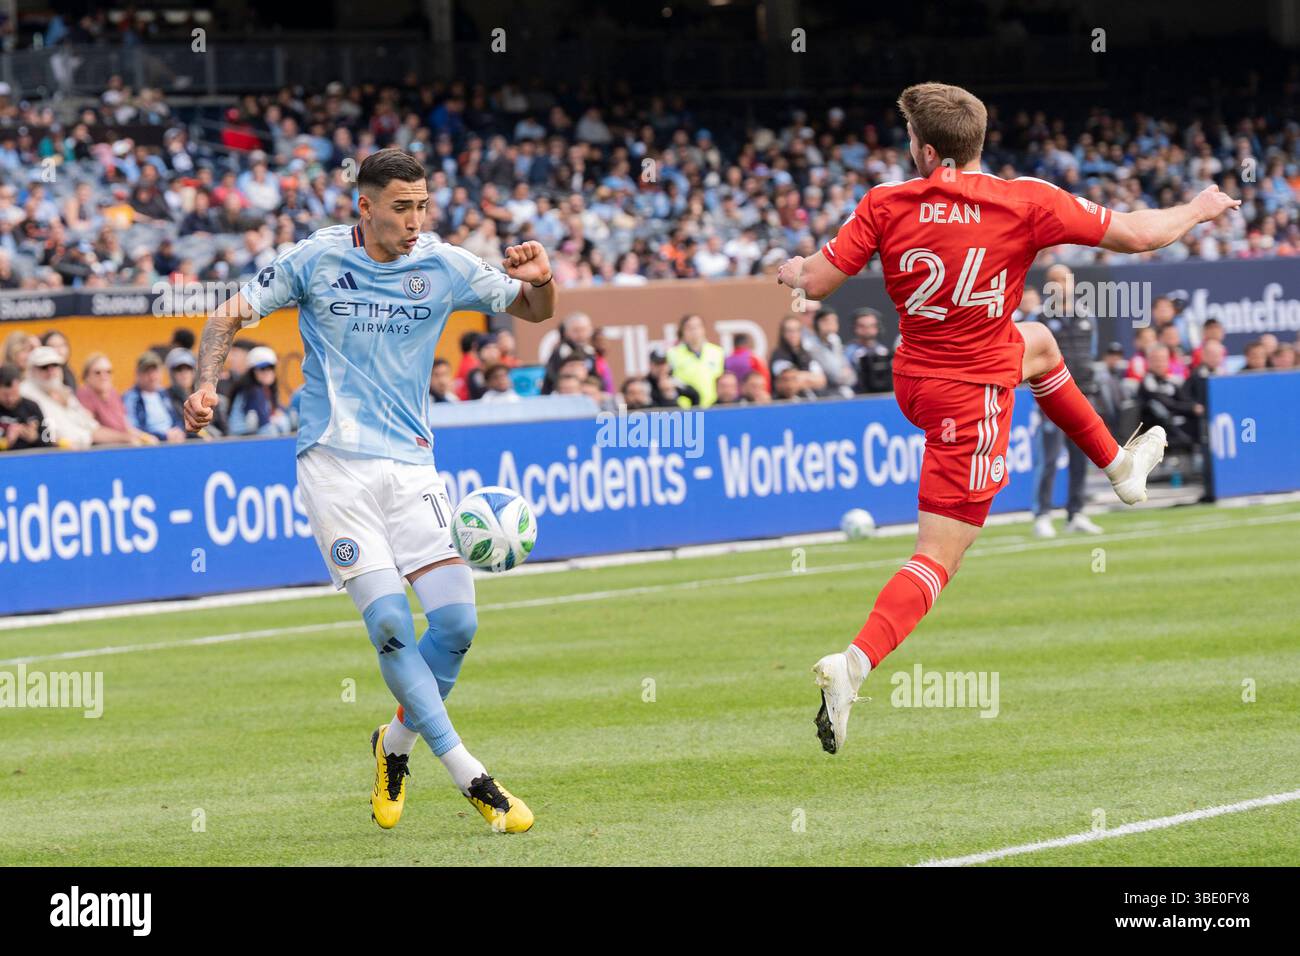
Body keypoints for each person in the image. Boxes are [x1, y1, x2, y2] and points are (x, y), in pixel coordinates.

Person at [777, 81, 1239, 755]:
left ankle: (1120, 467)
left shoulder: (884, 201)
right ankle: (853, 665)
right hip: (971, 396)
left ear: (924, 149)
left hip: (917, 379)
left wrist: (794, 271)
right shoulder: (1026, 199)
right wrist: (1198, 207)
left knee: (1040, 343)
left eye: (909, 137)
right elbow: (1140, 235)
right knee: (938, 557)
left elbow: (816, 283)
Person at [183, 147, 556, 834]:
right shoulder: (316, 260)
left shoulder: (443, 264)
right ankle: (470, 773)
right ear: (366, 206)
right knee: (389, 623)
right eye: (400, 208)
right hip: (334, 465)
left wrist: (543, 281)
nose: (415, 221)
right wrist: (204, 383)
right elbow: (223, 318)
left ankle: (395, 746)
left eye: (422, 206)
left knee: (456, 625)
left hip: (413, 467)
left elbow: (533, 312)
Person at [1031, 264, 1105, 537]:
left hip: (1083, 394)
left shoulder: (1087, 316)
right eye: (1055, 281)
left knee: (1080, 457)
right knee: (1049, 458)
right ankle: (1042, 514)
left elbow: (1092, 352)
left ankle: (1077, 512)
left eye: (1065, 280)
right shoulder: (1039, 318)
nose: (1061, 285)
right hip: (1051, 398)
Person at [21, 345, 135, 448]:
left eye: (55, 365)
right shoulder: (26, 394)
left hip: (81, 453)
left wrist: (128, 438)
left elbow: (92, 428)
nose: (51, 371)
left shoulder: (62, 391)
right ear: (32, 370)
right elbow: (56, 436)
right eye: (44, 367)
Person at [76, 352, 157, 445]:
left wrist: (144, 437)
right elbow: (92, 432)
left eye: (108, 372)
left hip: (123, 446)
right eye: (97, 372)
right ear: (87, 377)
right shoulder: (84, 395)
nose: (104, 376)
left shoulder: (113, 393)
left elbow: (126, 426)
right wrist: (126, 438)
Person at [227, 345, 292, 436]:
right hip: (242, 439)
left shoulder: (267, 390)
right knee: (274, 427)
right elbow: (262, 421)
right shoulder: (252, 390)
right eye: (262, 369)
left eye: (271, 368)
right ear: (252, 372)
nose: (267, 372)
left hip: (254, 437)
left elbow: (279, 410)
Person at [124, 351, 187, 443]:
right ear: (138, 374)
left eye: (155, 371)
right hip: (150, 446)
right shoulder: (131, 398)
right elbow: (134, 429)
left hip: (174, 442)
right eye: (147, 371)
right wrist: (164, 436)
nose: (152, 376)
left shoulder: (164, 393)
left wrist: (179, 431)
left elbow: (177, 418)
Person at [666, 313, 725, 408]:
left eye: (697, 327)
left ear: (703, 330)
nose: (694, 331)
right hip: (686, 410)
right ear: (682, 332)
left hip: (712, 407)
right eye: (689, 328)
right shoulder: (672, 354)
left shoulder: (717, 352)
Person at [0, 363, 51, 451]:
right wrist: (6, 442)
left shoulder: (32, 407)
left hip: (32, 460)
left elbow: (50, 444)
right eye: (5, 395)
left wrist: (35, 438)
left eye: (14, 393)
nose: (10, 399)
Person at [843, 308, 893, 394]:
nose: (867, 330)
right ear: (854, 328)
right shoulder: (847, 352)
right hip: (857, 396)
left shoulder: (884, 352)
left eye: (871, 325)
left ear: (877, 327)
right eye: (862, 326)